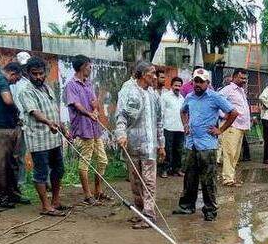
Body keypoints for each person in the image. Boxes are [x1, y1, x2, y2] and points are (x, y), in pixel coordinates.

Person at [173, 68, 238, 222]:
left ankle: (210, 210)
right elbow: (183, 111)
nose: (198, 84)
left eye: (201, 82)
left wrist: (220, 130)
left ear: (207, 83)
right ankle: (187, 206)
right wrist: (185, 125)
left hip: (207, 145)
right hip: (191, 144)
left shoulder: (215, 97)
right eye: (196, 81)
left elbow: (233, 113)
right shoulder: (189, 97)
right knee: (189, 177)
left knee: (208, 180)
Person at [115, 61, 165, 229]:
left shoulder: (154, 95)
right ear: (144, 75)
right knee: (135, 180)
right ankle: (140, 210)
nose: (156, 77)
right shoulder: (128, 90)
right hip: (133, 144)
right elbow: (121, 115)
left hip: (150, 146)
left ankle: (149, 215)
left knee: (149, 180)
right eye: (153, 74)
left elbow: (159, 120)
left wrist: (161, 144)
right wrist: (121, 134)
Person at [18, 56, 72, 216]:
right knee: (41, 172)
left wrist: (62, 126)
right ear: (28, 74)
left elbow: (54, 110)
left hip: (54, 138)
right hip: (39, 139)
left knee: (59, 169)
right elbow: (34, 112)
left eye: (41, 73)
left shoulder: (47, 88)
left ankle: (55, 201)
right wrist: (49, 123)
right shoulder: (26, 92)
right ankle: (46, 206)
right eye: (34, 74)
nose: (38, 77)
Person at [0, 61, 31, 208]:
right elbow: (8, 100)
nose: (15, 82)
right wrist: (16, 111)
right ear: (12, 73)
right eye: (16, 79)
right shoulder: (0, 79)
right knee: (0, 165)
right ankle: (0, 196)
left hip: (8, 128)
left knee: (12, 164)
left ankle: (12, 193)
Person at [64, 55, 109, 206]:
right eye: (89, 66)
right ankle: (87, 194)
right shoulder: (71, 85)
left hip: (94, 127)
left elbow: (94, 101)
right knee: (85, 161)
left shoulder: (89, 83)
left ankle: (98, 190)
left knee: (103, 160)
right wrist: (89, 113)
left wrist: (95, 109)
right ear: (83, 66)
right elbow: (76, 104)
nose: (91, 69)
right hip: (83, 128)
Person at [218, 69, 251, 187]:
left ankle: (231, 177)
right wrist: (223, 115)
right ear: (234, 77)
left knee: (236, 154)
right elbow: (216, 102)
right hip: (231, 126)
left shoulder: (241, 91)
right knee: (229, 153)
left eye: (245, 79)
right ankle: (227, 179)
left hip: (241, 126)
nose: (244, 81)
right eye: (242, 78)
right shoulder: (228, 90)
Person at [159, 76, 186, 177]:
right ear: (171, 86)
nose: (177, 88)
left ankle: (177, 169)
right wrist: (160, 127)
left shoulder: (182, 99)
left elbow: (184, 113)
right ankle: (165, 169)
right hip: (168, 127)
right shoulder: (165, 96)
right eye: (175, 85)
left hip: (180, 128)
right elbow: (161, 113)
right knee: (167, 149)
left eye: (179, 86)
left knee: (179, 150)